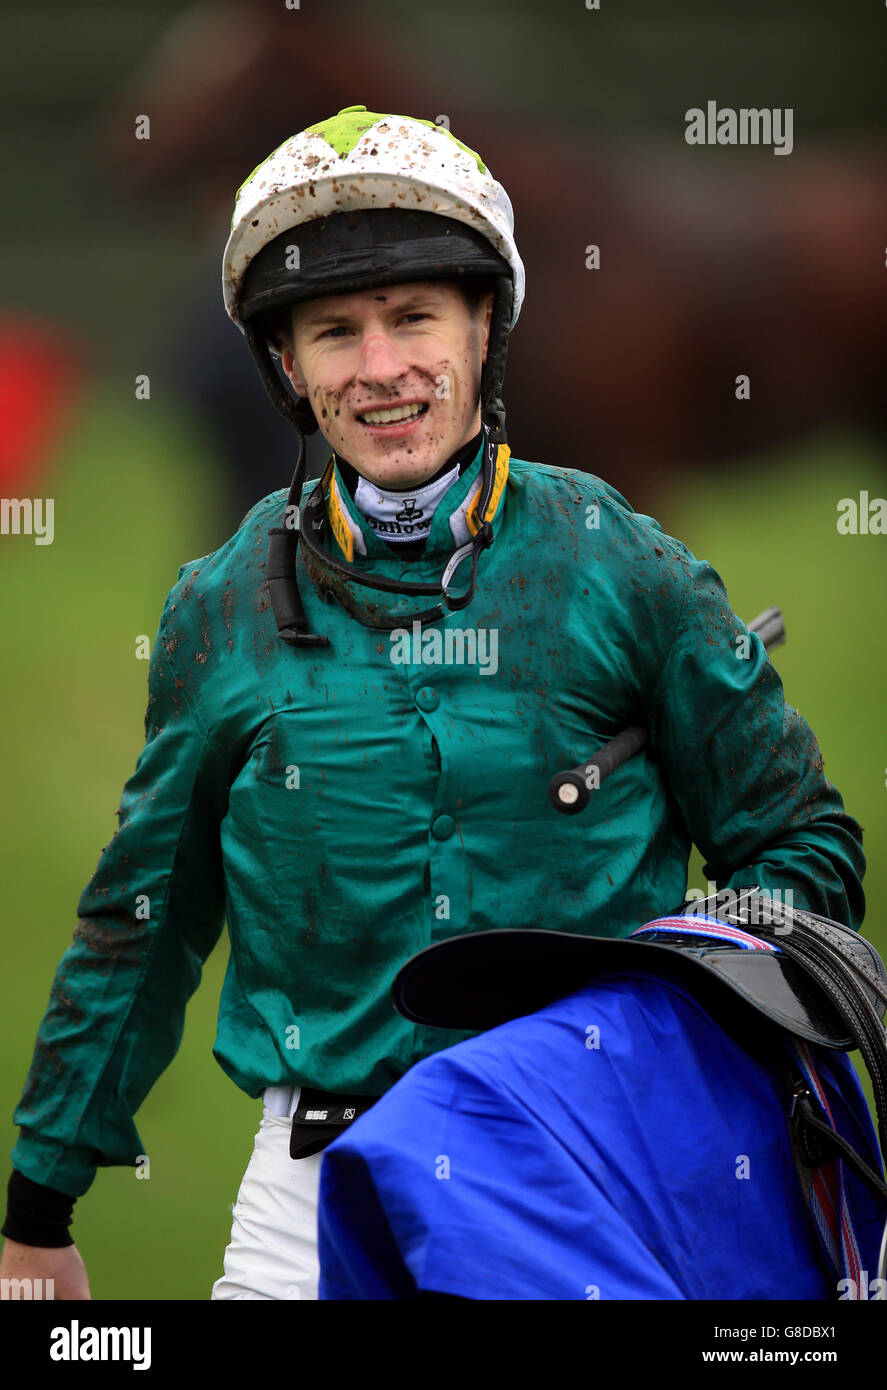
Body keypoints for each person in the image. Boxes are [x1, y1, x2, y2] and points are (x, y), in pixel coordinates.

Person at [0, 105, 866, 1301]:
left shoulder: (625, 564)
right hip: (308, 1188)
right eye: (334, 332)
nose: (381, 368)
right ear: (287, 368)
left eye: (414, 318)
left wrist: (676, 997)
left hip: (590, 1167)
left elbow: (802, 843)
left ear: (483, 330)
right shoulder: (217, 606)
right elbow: (142, 920)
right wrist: (40, 1208)